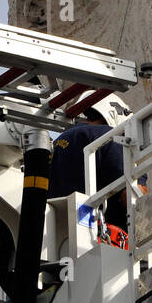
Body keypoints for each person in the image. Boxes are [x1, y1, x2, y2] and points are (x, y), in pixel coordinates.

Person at [48, 100, 138, 247]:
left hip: (56, 239)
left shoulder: (55, 144)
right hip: (103, 241)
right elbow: (131, 195)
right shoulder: (110, 137)